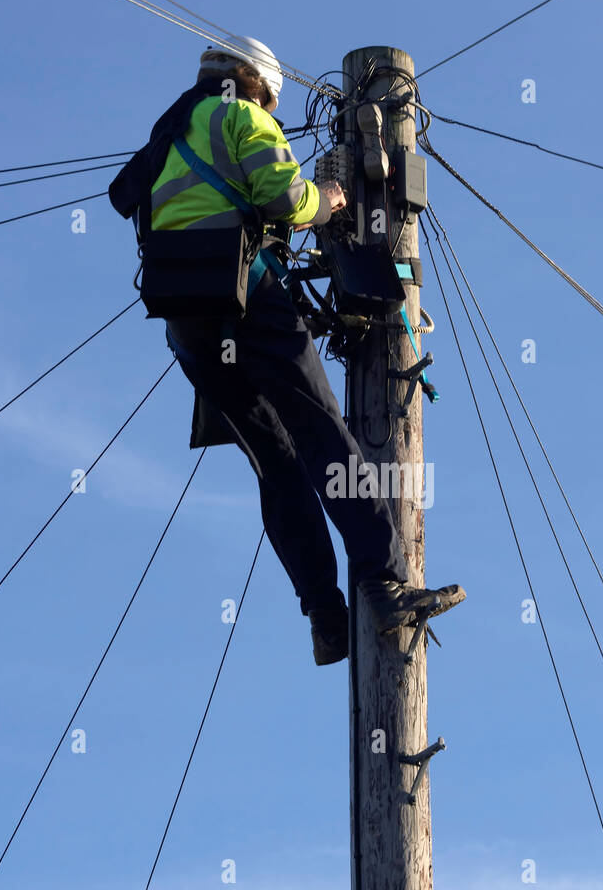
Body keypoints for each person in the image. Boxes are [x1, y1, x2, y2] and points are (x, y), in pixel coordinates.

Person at [110, 36, 464, 664]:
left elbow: (126, 197)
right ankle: (384, 584)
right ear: (262, 87)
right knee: (324, 433)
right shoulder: (243, 118)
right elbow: (287, 200)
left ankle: (326, 616)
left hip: (187, 326)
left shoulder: (169, 128)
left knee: (276, 462)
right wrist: (329, 201)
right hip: (249, 299)